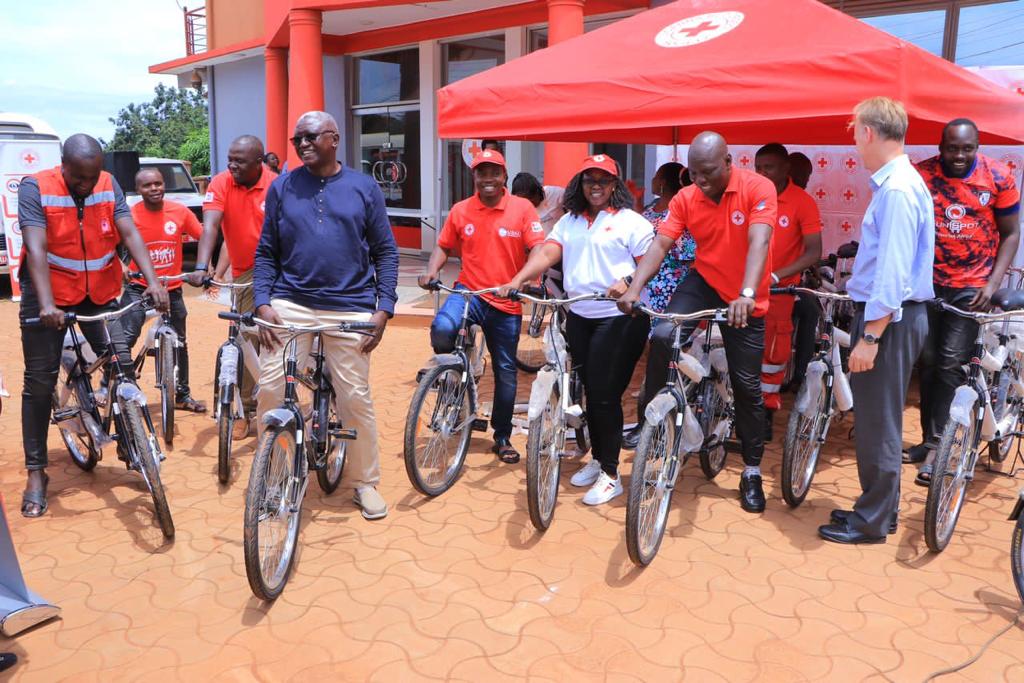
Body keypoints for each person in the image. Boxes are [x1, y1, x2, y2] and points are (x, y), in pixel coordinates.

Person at [618, 132, 776, 513]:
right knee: (664, 333)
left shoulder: (758, 188)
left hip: (744, 292)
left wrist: (748, 293)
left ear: (727, 162)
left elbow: (759, 241)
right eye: (694, 173)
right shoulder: (687, 196)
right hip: (704, 281)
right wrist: (635, 287)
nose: (701, 181)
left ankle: (751, 470)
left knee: (747, 386)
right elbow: (660, 245)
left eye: (708, 172)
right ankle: (648, 423)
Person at [253, 111, 398, 520]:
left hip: (351, 303)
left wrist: (383, 309)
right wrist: (263, 302)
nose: (302, 144)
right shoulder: (282, 187)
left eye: (311, 136)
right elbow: (266, 252)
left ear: (334, 139)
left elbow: (385, 252)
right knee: (269, 387)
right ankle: (276, 473)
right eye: (297, 137)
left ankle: (364, 482)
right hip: (291, 301)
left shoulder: (363, 187)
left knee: (354, 397)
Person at [17, 134, 169, 517]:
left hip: (97, 290)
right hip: (47, 291)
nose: (87, 184)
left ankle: (131, 440)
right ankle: (37, 473)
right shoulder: (36, 187)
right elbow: (36, 246)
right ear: (64, 166)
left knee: (120, 360)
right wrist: (47, 303)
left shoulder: (107, 183)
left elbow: (129, 231)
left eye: (93, 175)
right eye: (79, 177)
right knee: (39, 379)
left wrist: (152, 279)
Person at [500, 154, 653, 505]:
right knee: (589, 392)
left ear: (615, 185)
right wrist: (519, 278)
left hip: (618, 318)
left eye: (603, 179)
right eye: (589, 180)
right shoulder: (569, 221)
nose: (595, 185)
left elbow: (651, 262)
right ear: (579, 185)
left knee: (603, 394)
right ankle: (600, 458)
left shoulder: (631, 222)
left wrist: (628, 281)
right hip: (579, 316)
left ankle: (611, 474)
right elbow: (548, 253)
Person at [818, 97, 934, 545]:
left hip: (889, 319)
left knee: (878, 421)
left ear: (867, 132)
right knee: (876, 418)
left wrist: (870, 335)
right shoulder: (897, 183)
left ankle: (872, 523)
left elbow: (893, 270)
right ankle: (878, 510)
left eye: (854, 133)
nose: (854, 143)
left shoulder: (899, 189)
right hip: (893, 317)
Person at [908, 118, 1020, 480]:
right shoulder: (921, 174)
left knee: (949, 364)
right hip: (926, 284)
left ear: (978, 146)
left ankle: (941, 448)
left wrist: (992, 283)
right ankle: (930, 440)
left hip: (971, 286)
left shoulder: (998, 177)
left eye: (967, 148)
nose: (959, 155)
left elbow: (1011, 234)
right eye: (952, 148)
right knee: (925, 362)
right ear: (940, 146)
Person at [419, 150, 545, 464]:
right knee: (442, 328)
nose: (487, 179)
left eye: (493, 173)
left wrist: (522, 280)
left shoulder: (522, 208)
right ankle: (454, 374)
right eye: (481, 173)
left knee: (506, 373)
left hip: (506, 299)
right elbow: (443, 245)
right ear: (475, 177)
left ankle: (501, 435)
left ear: (504, 176)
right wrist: (432, 271)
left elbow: (539, 248)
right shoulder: (462, 210)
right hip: (469, 293)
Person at [186, 135, 277, 438]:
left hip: (278, 269)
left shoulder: (277, 185)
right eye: (230, 158)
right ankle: (245, 410)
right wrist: (204, 267)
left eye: (239, 160)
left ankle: (277, 402)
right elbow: (212, 225)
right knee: (247, 341)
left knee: (275, 336)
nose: (231, 165)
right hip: (245, 274)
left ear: (258, 162)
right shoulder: (221, 183)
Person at [120, 168, 207, 413]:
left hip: (173, 288)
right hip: (139, 288)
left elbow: (204, 236)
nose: (155, 188)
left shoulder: (179, 211)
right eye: (148, 186)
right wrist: (121, 265)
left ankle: (182, 395)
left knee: (180, 342)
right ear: (138, 190)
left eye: (158, 183)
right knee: (126, 336)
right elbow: (108, 244)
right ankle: (116, 386)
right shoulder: (130, 215)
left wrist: (204, 266)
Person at [753, 143, 822, 438]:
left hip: (780, 291)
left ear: (785, 169)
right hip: (745, 288)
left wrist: (776, 275)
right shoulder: (751, 196)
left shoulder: (802, 202)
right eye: (758, 167)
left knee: (772, 353)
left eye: (768, 167)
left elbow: (814, 252)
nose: (762, 173)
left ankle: (765, 413)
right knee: (741, 348)